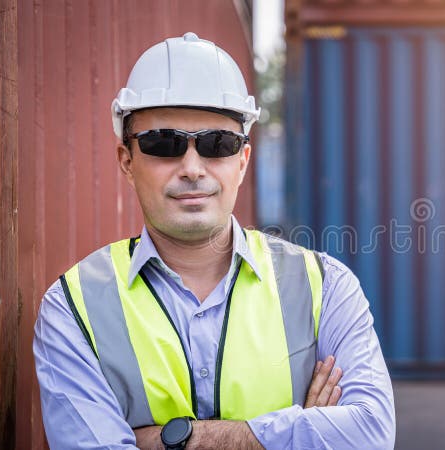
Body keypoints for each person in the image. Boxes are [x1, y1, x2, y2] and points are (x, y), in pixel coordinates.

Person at [33, 32, 395, 449]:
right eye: (163, 143)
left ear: (242, 161)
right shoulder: (72, 308)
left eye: (216, 144)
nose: (191, 167)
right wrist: (299, 433)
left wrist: (172, 441)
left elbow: (369, 435)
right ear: (126, 161)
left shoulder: (326, 286)